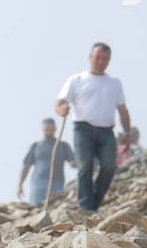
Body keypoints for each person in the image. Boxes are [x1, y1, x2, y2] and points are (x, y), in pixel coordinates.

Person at [56, 42, 130, 212]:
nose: (100, 61)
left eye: (105, 59)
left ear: (109, 61)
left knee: (109, 166)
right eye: (98, 57)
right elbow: (60, 101)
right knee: (85, 166)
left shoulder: (114, 83)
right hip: (83, 130)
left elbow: (123, 109)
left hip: (106, 132)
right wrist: (62, 109)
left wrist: (127, 132)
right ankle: (86, 206)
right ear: (90, 58)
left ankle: (93, 205)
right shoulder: (77, 79)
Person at [17, 117, 77, 205]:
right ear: (43, 129)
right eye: (46, 129)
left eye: (50, 129)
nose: (48, 131)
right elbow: (26, 167)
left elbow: (73, 163)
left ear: (55, 129)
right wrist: (20, 185)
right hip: (38, 188)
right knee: (36, 212)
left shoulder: (63, 146)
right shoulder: (36, 146)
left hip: (57, 187)